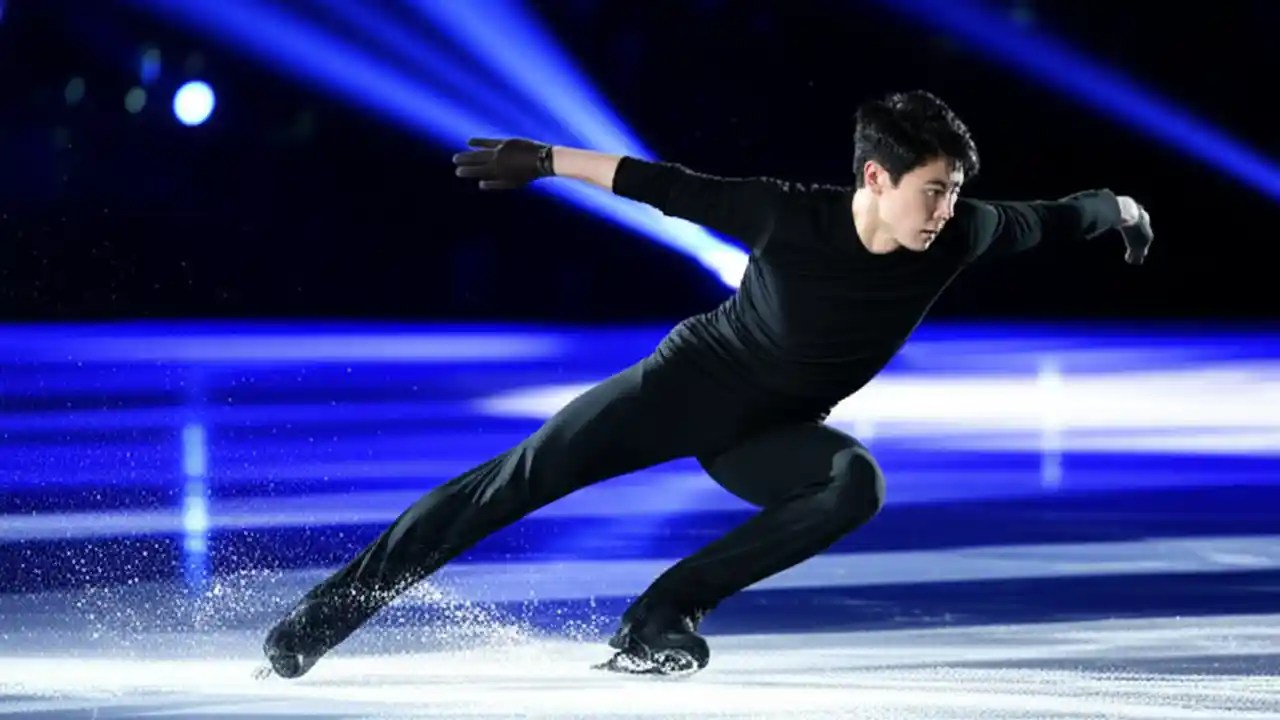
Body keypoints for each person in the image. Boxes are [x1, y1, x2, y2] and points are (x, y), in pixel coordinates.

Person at [261, 90, 1153, 678]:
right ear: (875, 178)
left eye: (954, 190)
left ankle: (662, 615)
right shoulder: (788, 216)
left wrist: (1121, 210)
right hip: (686, 385)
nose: (946, 209)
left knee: (855, 484)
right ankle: (317, 621)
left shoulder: (962, 234)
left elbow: (1058, 216)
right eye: (931, 190)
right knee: (513, 482)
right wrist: (541, 160)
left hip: (769, 434)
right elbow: (666, 186)